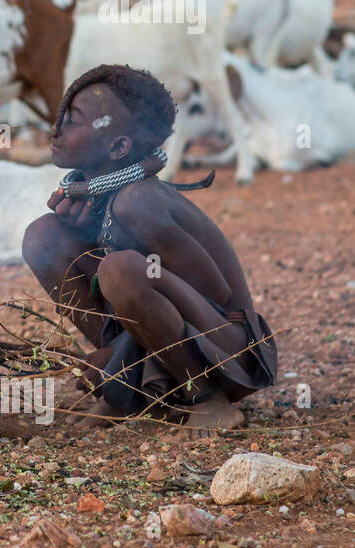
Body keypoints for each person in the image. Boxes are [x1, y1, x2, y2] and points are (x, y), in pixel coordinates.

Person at [22, 64, 278, 430]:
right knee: (43, 236)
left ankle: (207, 398)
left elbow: (214, 294)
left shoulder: (137, 201)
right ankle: (130, 392)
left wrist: (115, 354)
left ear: (119, 146)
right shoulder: (104, 198)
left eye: (73, 121)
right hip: (166, 342)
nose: (56, 127)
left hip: (229, 349)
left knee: (120, 271)